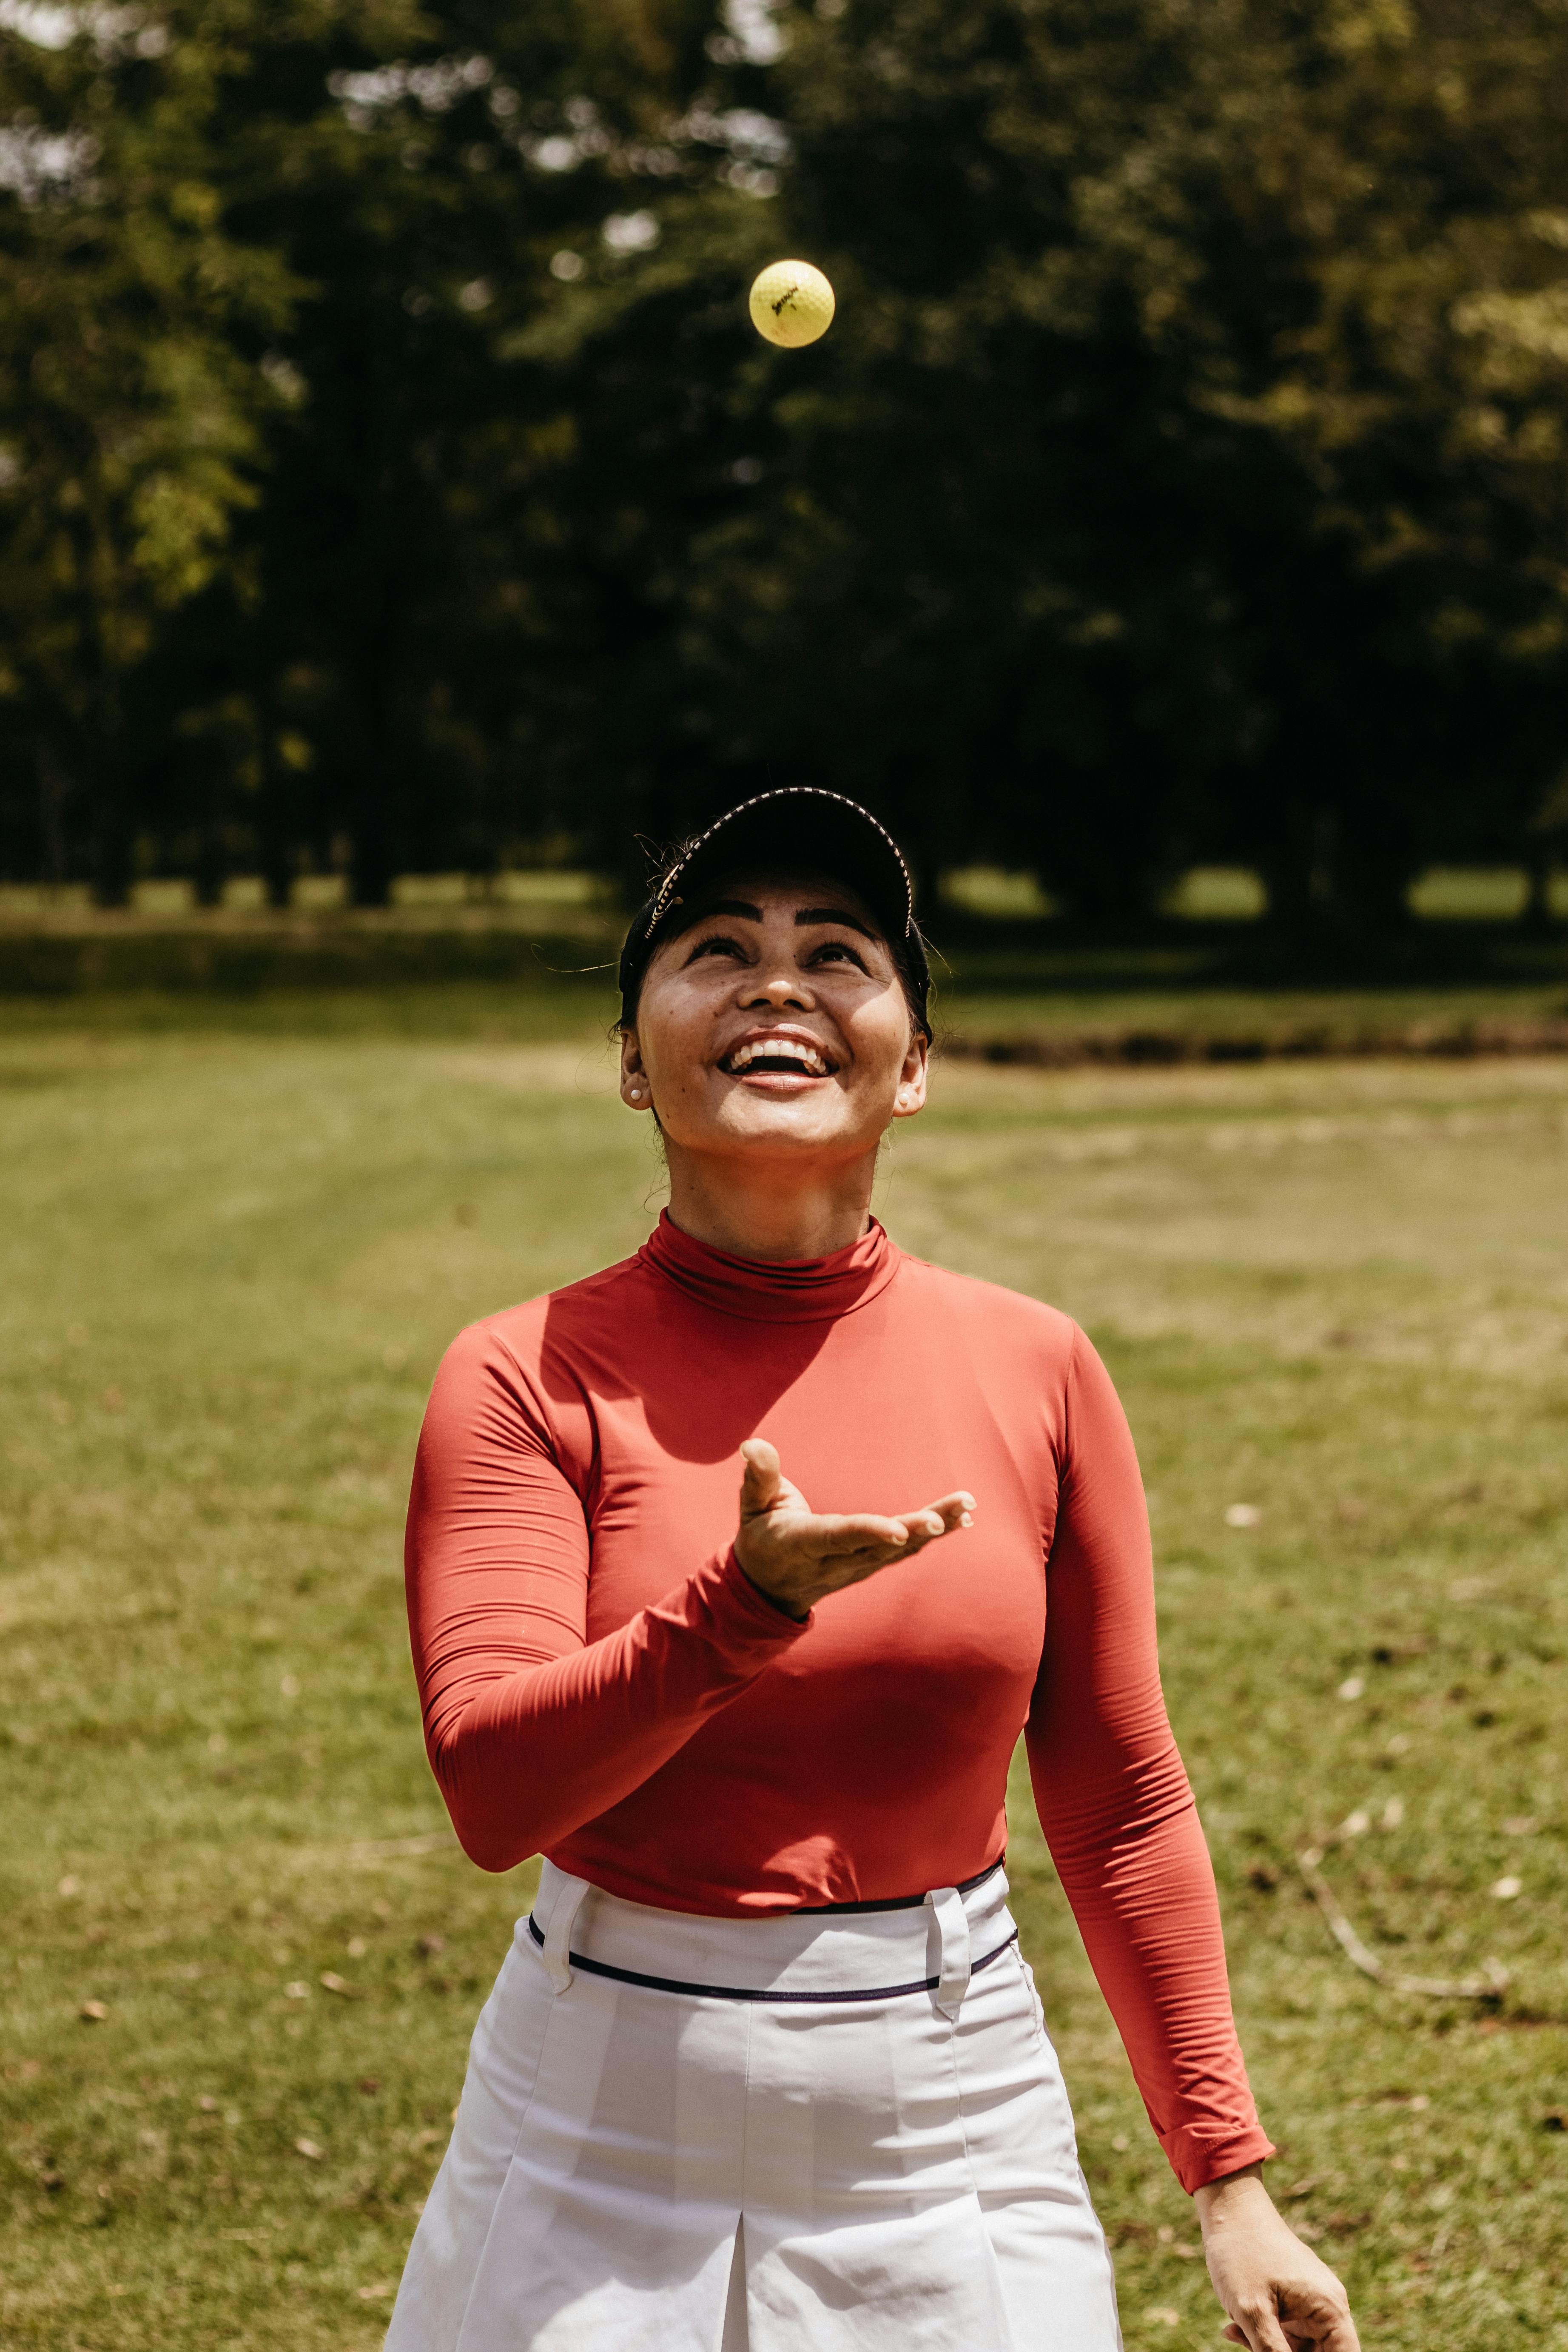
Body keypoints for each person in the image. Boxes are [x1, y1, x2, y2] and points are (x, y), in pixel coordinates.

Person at [388, 789, 1360, 2352]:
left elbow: (1119, 1787)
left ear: (912, 1064)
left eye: (837, 952)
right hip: (595, 2126)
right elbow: (494, 1794)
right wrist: (739, 1613)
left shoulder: (1038, 1365)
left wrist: (1229, 2180)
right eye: (717, 949)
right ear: (633, 1059)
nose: (778, 984)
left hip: (952, 2117)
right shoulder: (520, 1374)